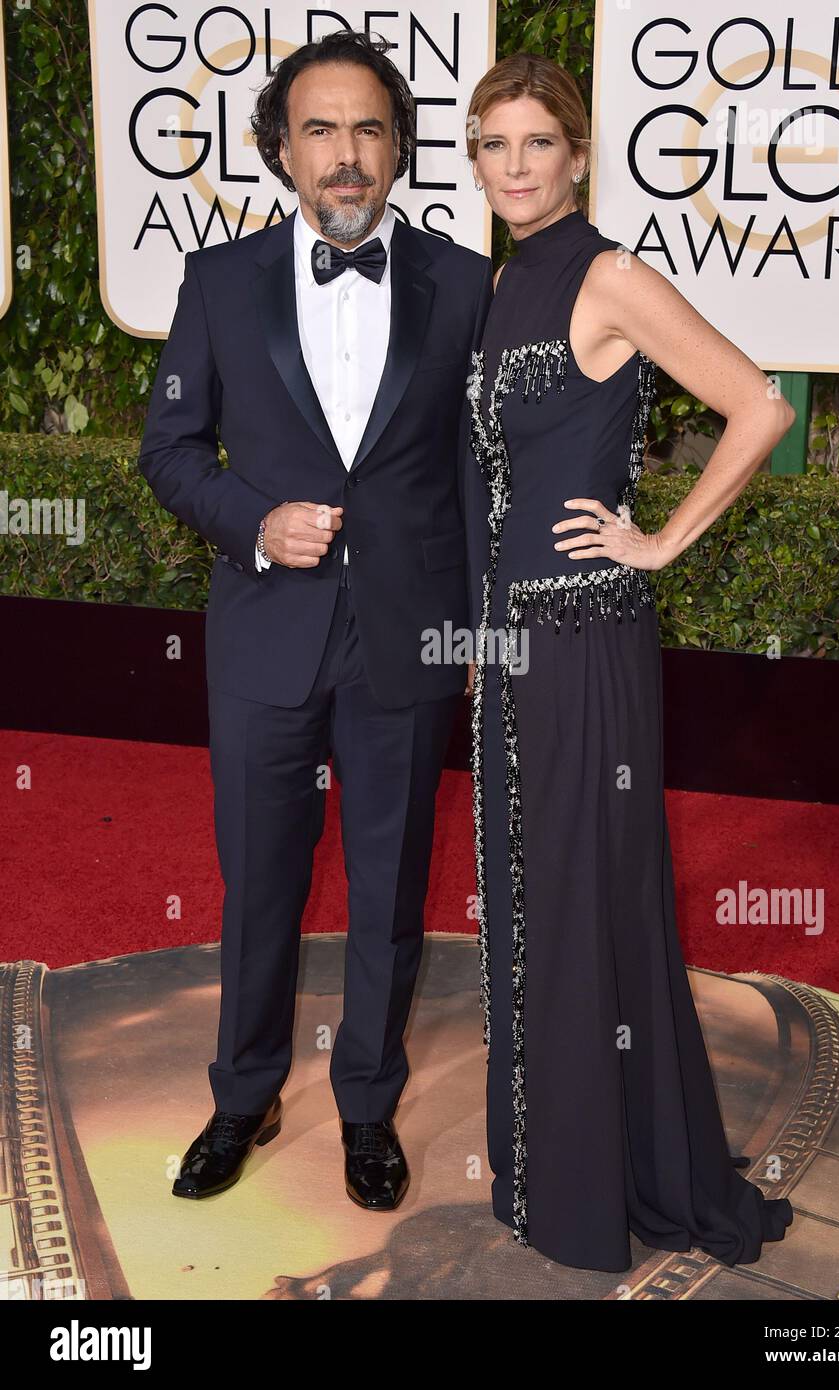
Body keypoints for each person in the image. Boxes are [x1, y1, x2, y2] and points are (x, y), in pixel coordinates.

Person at [138, 31, 492, 1210]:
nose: (346, 156)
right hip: (266, 626)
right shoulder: (218, 281)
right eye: (320, 129)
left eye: (368, 129)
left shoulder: (462, 282)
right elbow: (170, 451)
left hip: (408, 630)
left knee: (392, 885)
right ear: (279, 148)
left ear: (396, 147)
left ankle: (365, 1102)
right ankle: (242, 1095)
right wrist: (253, 519)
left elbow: (477, 474)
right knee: (259, 884)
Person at [462, 52, 796, 1273]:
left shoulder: (611, 276)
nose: (512, 166)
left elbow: (758, 405)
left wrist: (655, 541)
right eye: (492, 145)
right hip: (509, 653)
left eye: (534, 144)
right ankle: (560, 1167)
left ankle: (606, 1183)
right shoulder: (506, 283)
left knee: (584, 901)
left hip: (584, 641)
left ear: (578, 152)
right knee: (529, 906)